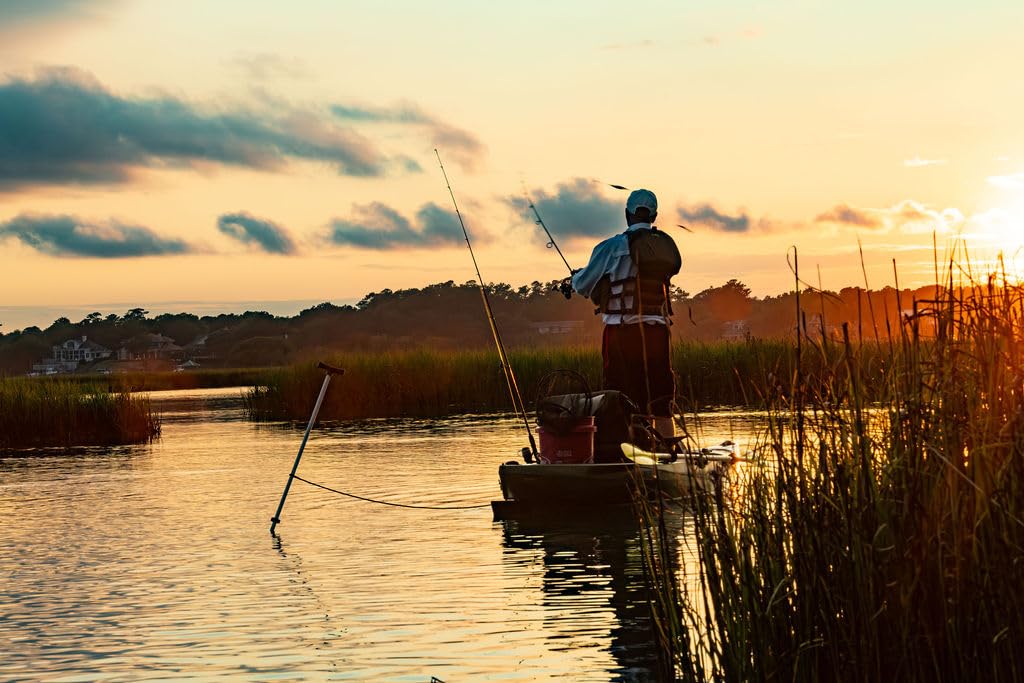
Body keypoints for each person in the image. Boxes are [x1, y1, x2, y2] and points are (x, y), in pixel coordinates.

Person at [570, 188, 681, 438]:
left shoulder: (610, 247)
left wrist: (576, 276)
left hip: (622, 332)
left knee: (622, 396)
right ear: (654, 215)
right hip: (657, 331)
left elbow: (582, 285)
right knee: (661, 398)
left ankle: (631, 452)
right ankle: (667, 450)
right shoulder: (663, 248)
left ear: (627, 214)